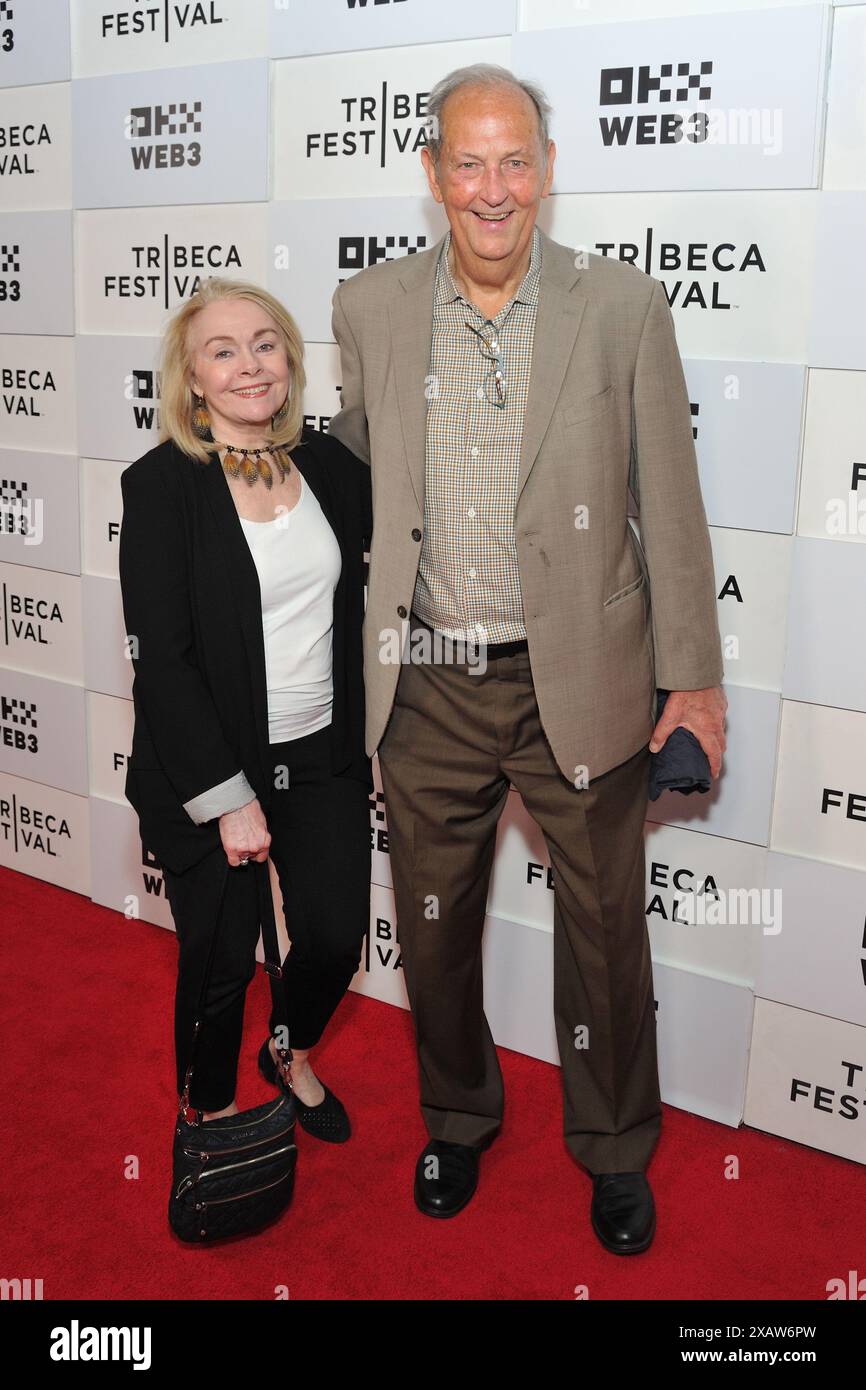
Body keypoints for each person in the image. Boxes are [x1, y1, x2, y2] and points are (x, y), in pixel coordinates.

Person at [327, 63, 727, 1252]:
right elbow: (354, 479)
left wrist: (692, 679)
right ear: (430, 174)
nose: (490, 188)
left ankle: (612, 1146)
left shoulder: (619, 306)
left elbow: (670, 497)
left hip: (585, 676)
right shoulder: (370, 308)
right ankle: (454, 1115)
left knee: (605, 928)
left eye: (514, 160)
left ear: (547, 169)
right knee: (434, 922)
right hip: (428, 682)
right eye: (467, 161)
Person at [118, 277, 372, 1144]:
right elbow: (165, 659)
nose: (249, 365)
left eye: (265, 343)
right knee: (221, 965)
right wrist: (228, 796)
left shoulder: (331, 467)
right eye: (222, 351)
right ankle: (213, 1113)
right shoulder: (160, 488)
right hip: (211, 763)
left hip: (322, 749)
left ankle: (289, 1050)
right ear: (192, 380)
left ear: (290, 361)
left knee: (337, 938)